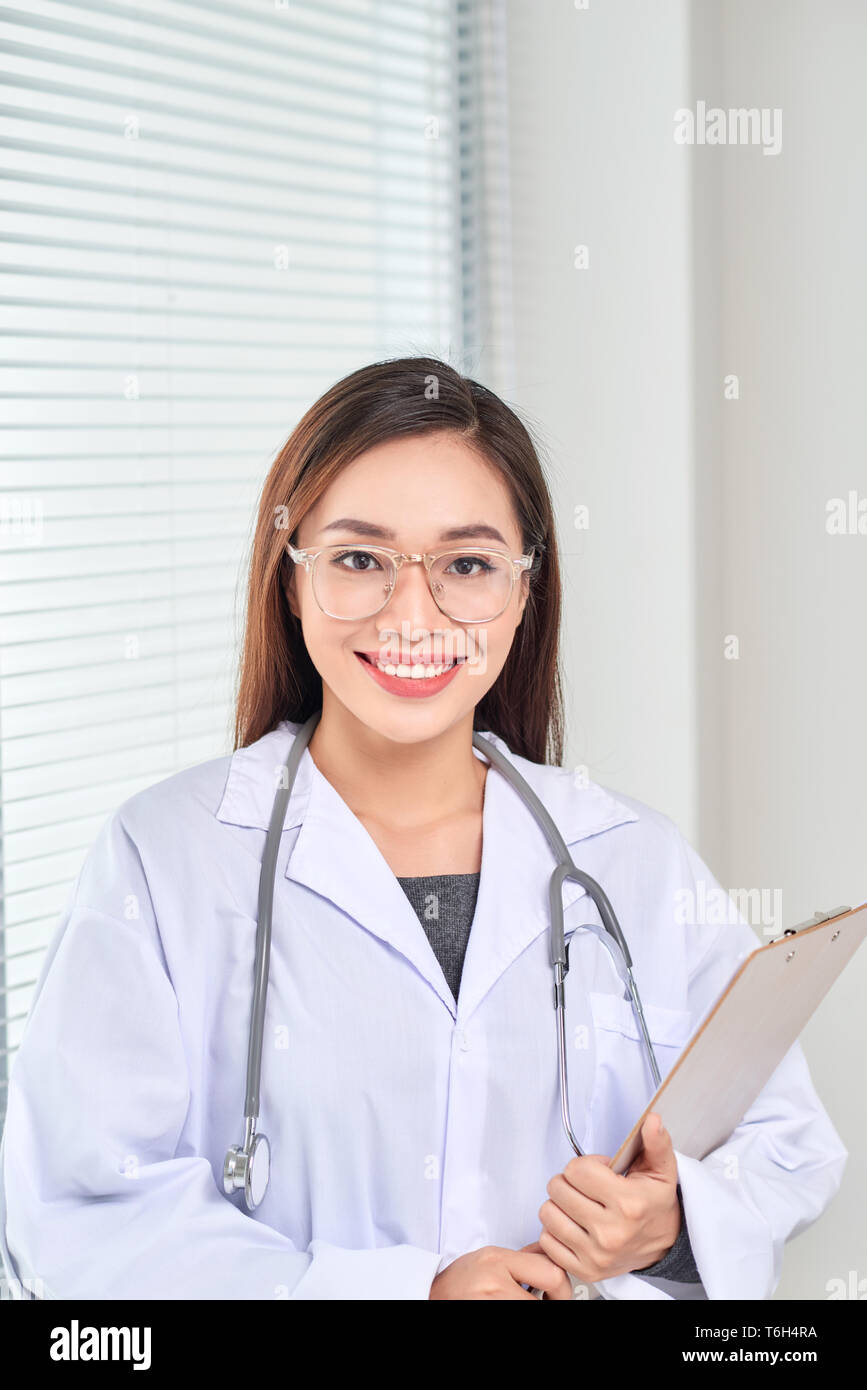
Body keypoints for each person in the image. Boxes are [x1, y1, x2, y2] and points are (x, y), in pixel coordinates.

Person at [0, 357, 847, 1300]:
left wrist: (672, 1224)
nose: (413, 613)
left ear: (524, 592)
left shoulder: (630, 858)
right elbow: (79, 1213)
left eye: (468, 565)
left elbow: (783, 1143)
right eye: (359, 559)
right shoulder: (164, 857)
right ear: (289, 580)